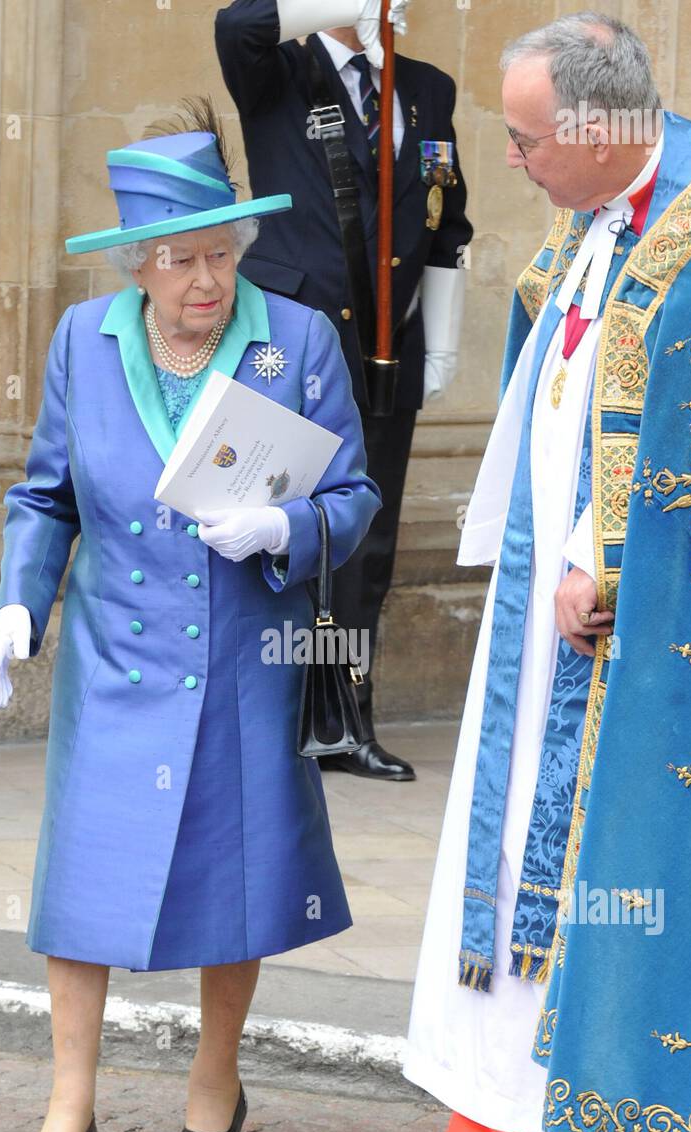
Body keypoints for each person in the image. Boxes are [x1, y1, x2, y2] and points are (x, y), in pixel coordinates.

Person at [396, 12, 691, 1132]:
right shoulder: (584, 218)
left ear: (604, 130)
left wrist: (604, 565)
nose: (508, 158)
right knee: (509, 878)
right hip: (536, 631)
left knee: (604, 893)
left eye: (526, 137)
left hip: (638, 647)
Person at [0, 100, 381, 1132]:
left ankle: (216, 1074)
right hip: (116, 658)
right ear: (136, 266)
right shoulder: (82, 338)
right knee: (83, 878)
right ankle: (70, 1099)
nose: (204, 280)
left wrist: (286, 529)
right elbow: (46, 494)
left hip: (244, 657)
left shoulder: (294, 340)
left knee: (232, 872)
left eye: (218, 253)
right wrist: (22, 598)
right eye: (177, 260)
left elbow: (353, 493)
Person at [215, 0, 472, 780]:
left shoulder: (426, 88)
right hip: (290, 343)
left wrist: (445, 340)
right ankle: (257, 710)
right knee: (270, 519)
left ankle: (341, 716)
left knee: (364, 543)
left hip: (390, 348)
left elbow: (445, 220)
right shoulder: (281, 74)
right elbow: (237, 26)